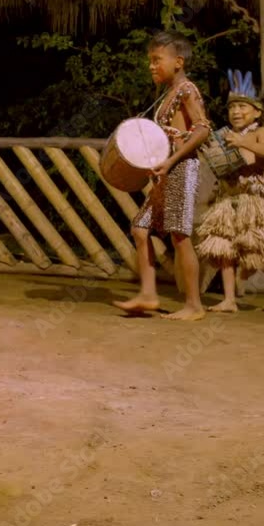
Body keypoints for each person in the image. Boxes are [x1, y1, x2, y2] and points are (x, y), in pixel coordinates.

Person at [113, 31, 210, 321]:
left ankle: (194, 305)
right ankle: (148, 294)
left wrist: (171, 161)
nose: (151, 66)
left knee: (179, 236)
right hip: (167, 171)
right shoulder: (168, 93)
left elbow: (203, 128)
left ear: (178, 61)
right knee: (140, 229)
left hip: (182, 168)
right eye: (150, 61)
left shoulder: (186, 90)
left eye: (157, 60)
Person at [196, 69, 264, 312]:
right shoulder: (225, 135)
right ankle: (229, 299)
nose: (236, 112)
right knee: (225, 247)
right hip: (227, 198)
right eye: (232, 108)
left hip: (251, 197)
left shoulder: (260, 132)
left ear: (256, 111)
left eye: (242, 107)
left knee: (258, 247)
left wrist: (242, 142)